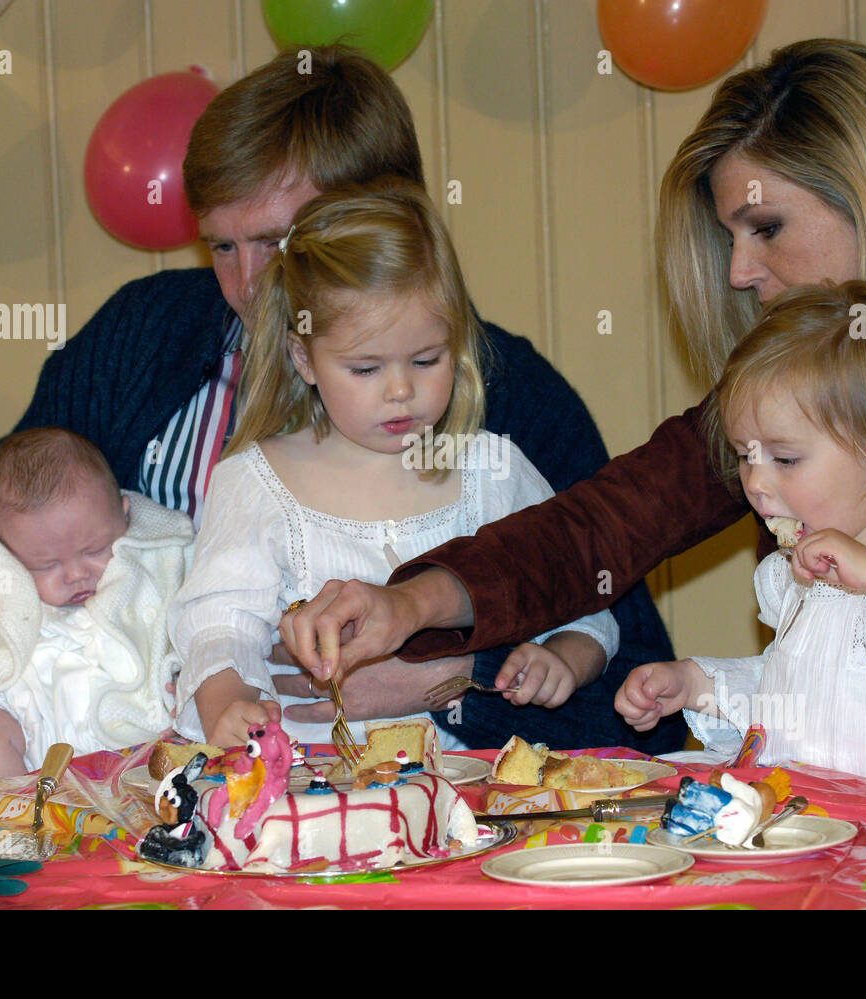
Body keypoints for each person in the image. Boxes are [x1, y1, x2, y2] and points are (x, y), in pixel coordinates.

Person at [279, 39, 866, 899]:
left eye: (768, 228)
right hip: (826, 848)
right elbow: (605, 522)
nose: (742, 271)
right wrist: (409, 603)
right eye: (731, 237)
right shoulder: (805, 389)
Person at [0, 44, 681, 780]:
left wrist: (454, 682)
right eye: (222, 246)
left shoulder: (507, 403)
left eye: (277, 244)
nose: (245, 283)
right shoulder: (140, 337)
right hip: (140, 797)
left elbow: (636, 687)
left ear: (380, 227)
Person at [169, 179, 618, 750]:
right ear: (303, 358)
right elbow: (218, 628)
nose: (401, 390)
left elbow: (586, 595)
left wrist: (564, 658)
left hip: (469, 803)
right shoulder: (255, 482)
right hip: (310, 794)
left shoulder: (492, 471)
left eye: (427, 360)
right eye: (365, 369)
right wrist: (227, 703)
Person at [616, 282, 866, 802]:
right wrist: (698, 684)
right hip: (810, 825)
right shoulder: (803, 569)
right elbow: (800, 694)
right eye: (746, 455)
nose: (756, 483)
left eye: (785, 459)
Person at [0, 428, 192, 777]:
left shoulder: (160, 553)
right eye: (47, 565)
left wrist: (190, 675)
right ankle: (14, 824)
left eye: (94, 550)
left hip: (135, 727)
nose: (75, 574)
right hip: (26, 706)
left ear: (125, 513)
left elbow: (206, 611)